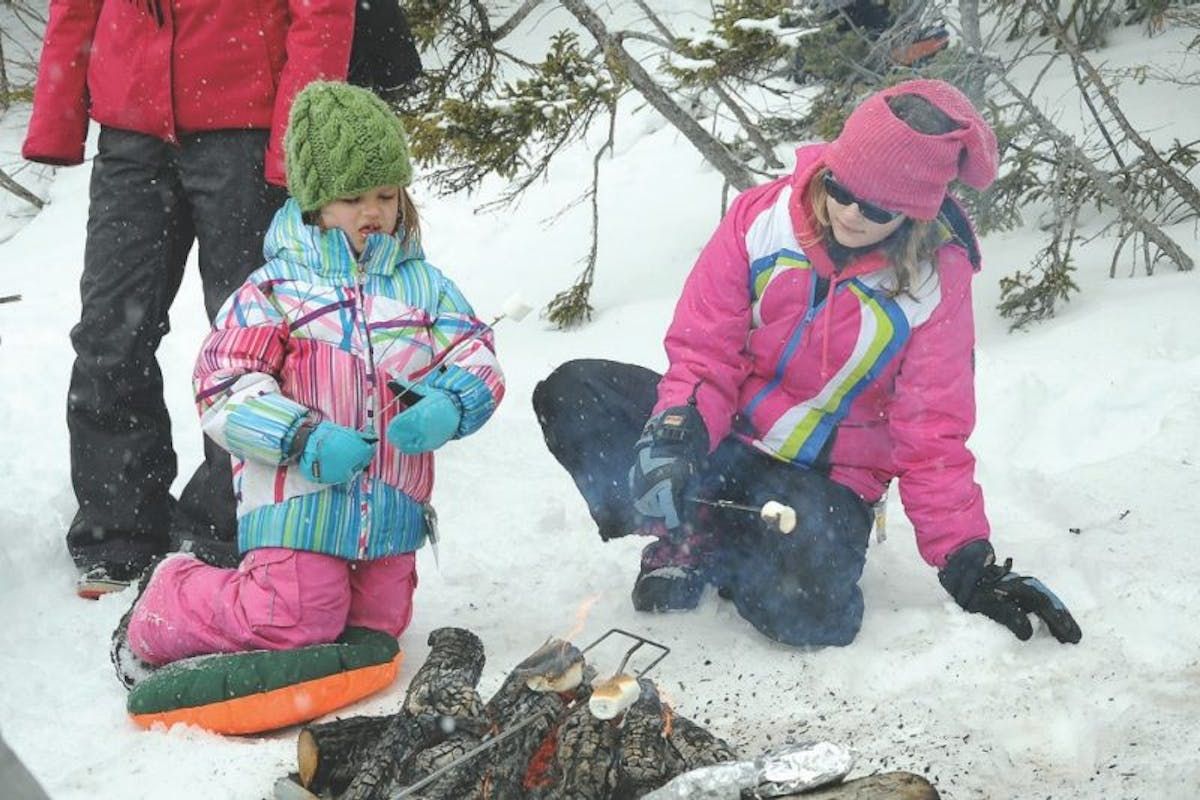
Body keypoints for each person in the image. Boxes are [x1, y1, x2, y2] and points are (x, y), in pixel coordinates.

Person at [533, 79, 1082, 648]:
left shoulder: (934, 283)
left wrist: (969, 563)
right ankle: (689, 528)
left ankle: (738, 544)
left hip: (822, 481)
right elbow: (706, 351)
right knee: (574, 392)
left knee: (813, 616)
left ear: (915, 213)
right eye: (841, 189)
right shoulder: (762, 219)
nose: (849, 212)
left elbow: (933, 432)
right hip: (723, 442)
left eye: (877, 208)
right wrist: (677, 436)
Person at [110, 81, 505, 684]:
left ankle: (335, 606)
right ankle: (171, 596)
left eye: (384, 194)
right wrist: (301, 437)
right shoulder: (274, 290)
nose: (372, 211)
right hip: (299, 499)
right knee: (291, 618)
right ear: (316, 204)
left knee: (381, 625)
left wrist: (453, 403)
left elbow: (477, 350)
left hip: (390, 505)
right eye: (351, 197)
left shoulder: (426, 288)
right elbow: (223, 385)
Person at [22, 0, 356, 596]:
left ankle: (227, 526)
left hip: (246, 136)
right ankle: (119, 527)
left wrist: (297, 143)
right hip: (132, 135)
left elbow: (323, 13)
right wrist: (57, 116)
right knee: (109, 332)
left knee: (251, 345)